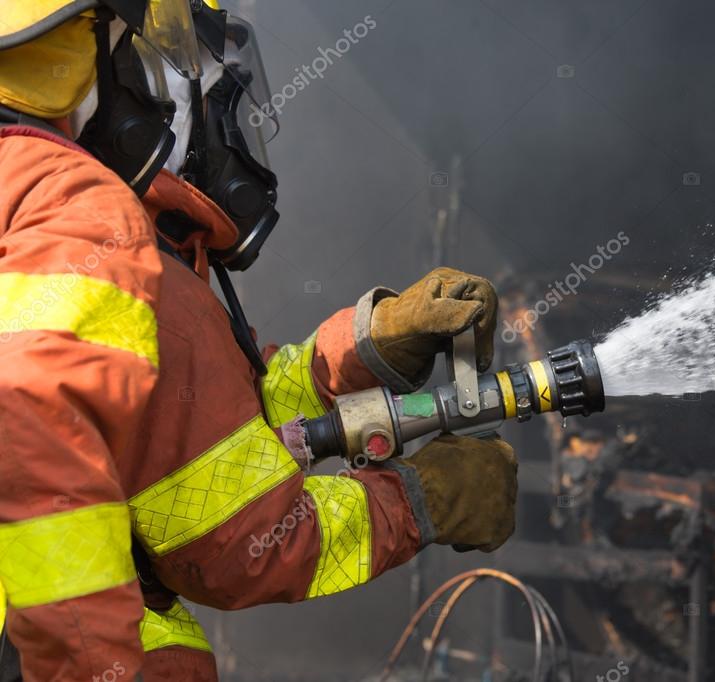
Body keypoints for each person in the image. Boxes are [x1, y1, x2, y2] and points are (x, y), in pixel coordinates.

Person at [0, 2, 518, 679]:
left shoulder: (29, 200)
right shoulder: (80, 214)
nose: (222, 108)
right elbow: (231, 541)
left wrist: (367, 348)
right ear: (110, 66)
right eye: (191, 65)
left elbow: (196, 439)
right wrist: (420, 502)